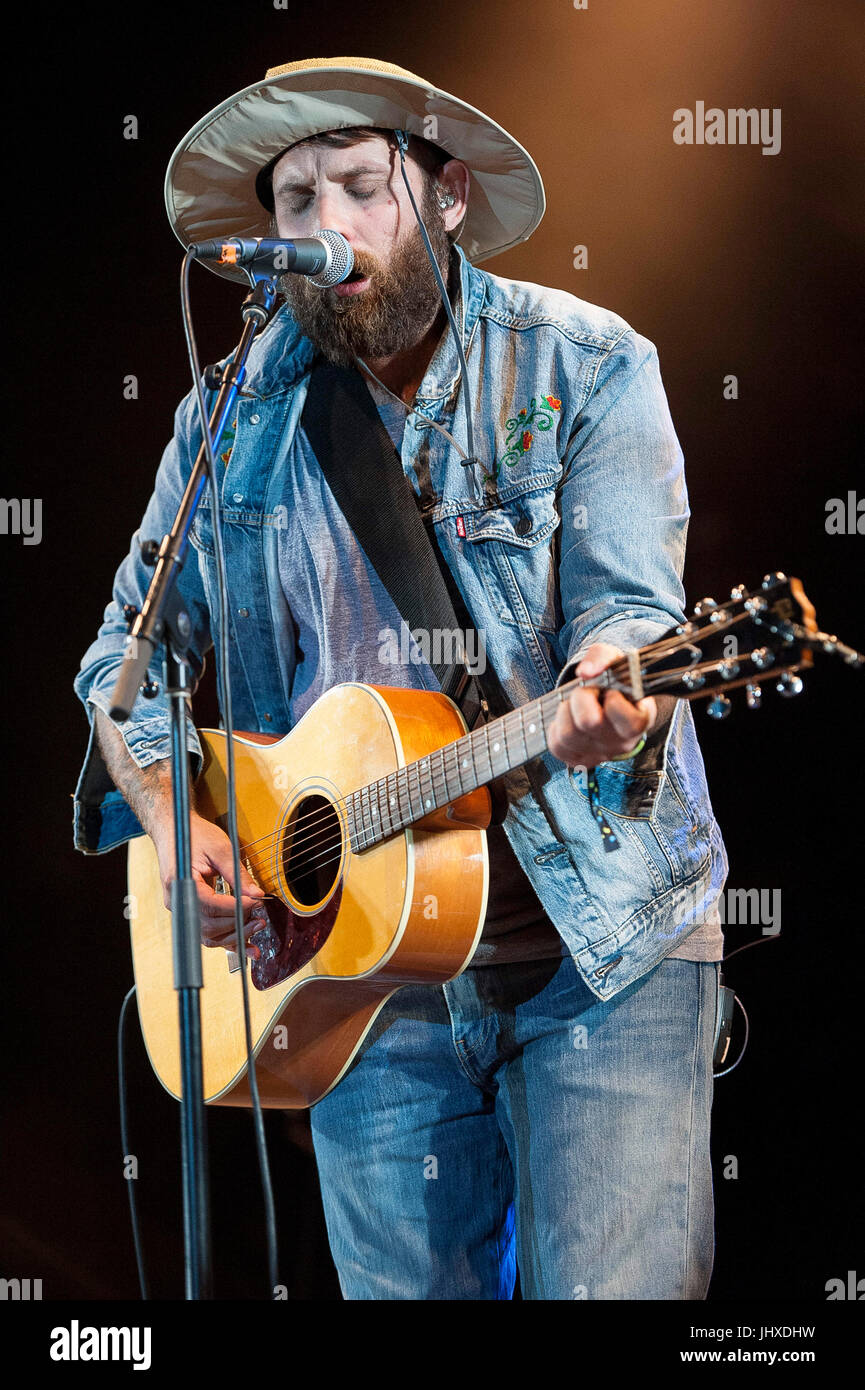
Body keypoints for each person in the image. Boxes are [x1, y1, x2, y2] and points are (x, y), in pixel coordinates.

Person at [73, 57, 729, 1299]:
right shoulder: (231, 416)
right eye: (293, 200)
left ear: (446, 197)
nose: (323, 225)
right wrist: (172, 816)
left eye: (360, 187)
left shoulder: (582, 364)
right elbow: (124, 659)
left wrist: (610, 692)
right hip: (358, 975)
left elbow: (630, 612)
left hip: (598, 947)